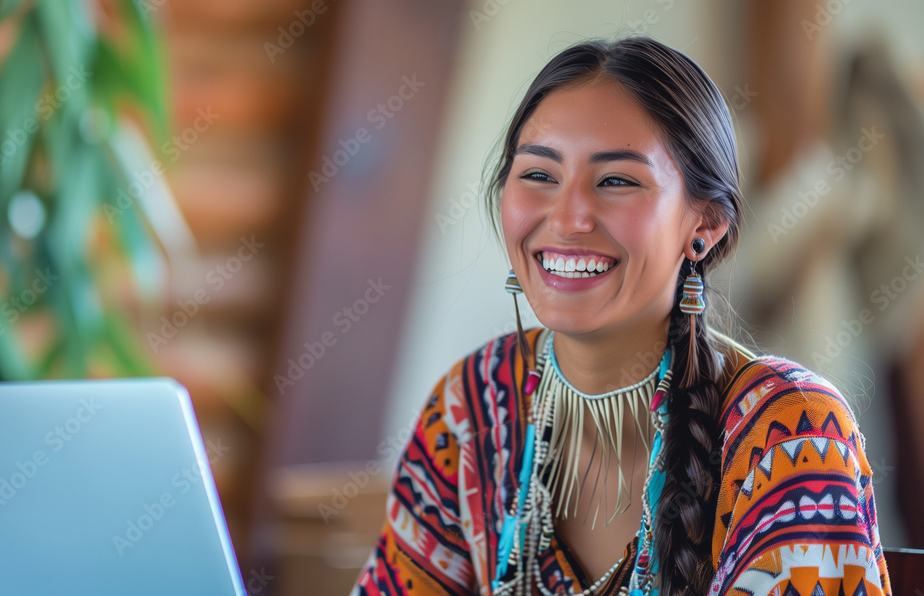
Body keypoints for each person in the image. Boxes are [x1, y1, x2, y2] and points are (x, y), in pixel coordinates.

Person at [351, 36, 892, 596]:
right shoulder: (474, 408)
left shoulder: (792, 436)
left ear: (703, 226)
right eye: (538, 175)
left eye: (617, 181)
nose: (568, 217)